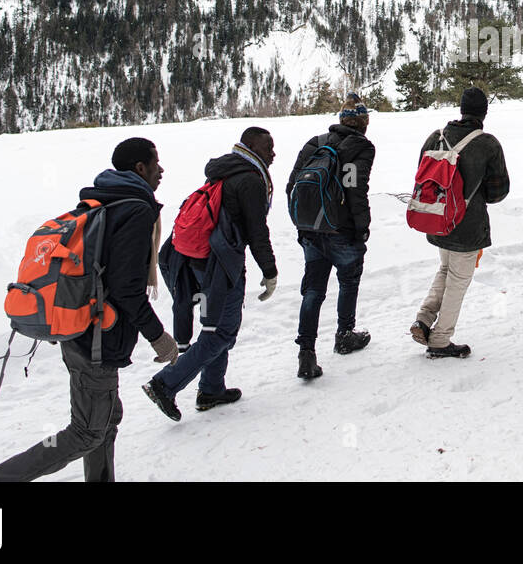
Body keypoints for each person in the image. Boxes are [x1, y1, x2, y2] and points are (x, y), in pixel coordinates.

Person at [0, 138, 179, 482]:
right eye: (157, 162)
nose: (162, 170)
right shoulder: (135, 209)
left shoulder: (102, 201)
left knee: (106, 419)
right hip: (97, 338)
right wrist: (159, 337)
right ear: (140, 168)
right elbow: (128, 289)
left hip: (80, 328)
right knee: (86, 432)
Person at [142, 128, 279, 421]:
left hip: (197, 260)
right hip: (221, 264)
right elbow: (257, 231)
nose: (273, 154)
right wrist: (270, 271)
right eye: (268, 147)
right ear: (252, 146)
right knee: (221, 332)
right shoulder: (250, 180)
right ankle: (165, 384)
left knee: (214, 327)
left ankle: (212, 389)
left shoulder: (223, 171)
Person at [409, 86, 509, 358]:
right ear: (483, 113)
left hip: (438, 219)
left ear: (461, 109)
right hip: (468, 224)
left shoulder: (436, 137)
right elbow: (499, 191)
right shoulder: (488, 143)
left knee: (445, 270)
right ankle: (440, 339)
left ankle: (424, 319)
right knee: (458, 281)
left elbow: (423, 176)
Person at [286, 94, 377, 380]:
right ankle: (344, 334)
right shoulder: (362, 147)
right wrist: (362, 227)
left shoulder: (315, 143)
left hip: (311, 228)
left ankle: (306, 351)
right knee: (348, 281)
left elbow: (292, 185)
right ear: (364, 122)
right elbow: (355, 189)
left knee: (313, 289)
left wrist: (303, 224)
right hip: (342, 230)